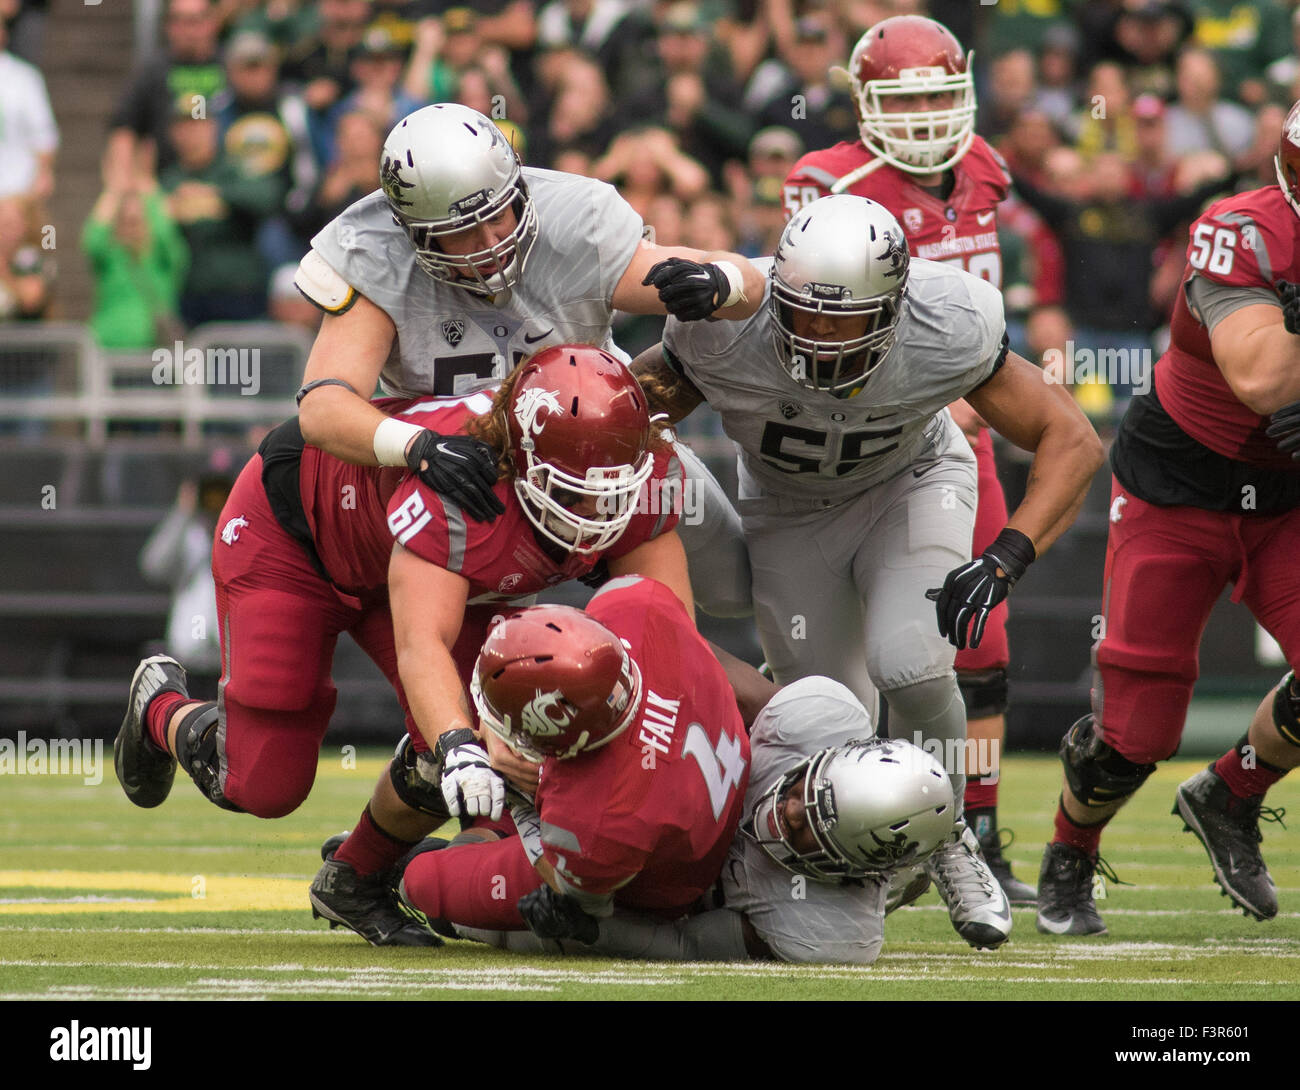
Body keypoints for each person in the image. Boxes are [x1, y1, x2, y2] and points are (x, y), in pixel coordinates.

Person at [632, 193, 1104, 949]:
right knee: (830, 723)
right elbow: (626, 409)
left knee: (910, 663)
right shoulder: (723, 329)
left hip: (912, 485)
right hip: (789, 510)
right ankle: (852, 868)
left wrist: (1007, 555)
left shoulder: (945, 324)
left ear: (893, 305)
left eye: (841, 319)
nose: (818, 336)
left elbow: (1070, 436)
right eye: (804, 313)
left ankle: (954, 836)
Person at [114, 347, 691, 946]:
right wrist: (462, 742)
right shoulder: (469, 484)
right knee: (265, 784)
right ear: (522, 463)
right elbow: (422, 644)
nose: (598, 510)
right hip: (297, 540)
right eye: (572, 492)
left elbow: (670, 646)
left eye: (612, 489)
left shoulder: (639, 478)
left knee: (504, 736)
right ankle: (160, 707)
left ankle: (355, 879)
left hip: (419, 574)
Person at [291, 101, 763, 616]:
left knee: (736, 591)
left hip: (607, 460)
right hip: (480, 481)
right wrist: (420, 446)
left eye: (497, 214)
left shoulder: (574, 220)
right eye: (463, 230)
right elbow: (322, 406)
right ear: (413, 233)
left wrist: (723, 284)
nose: (489, 240)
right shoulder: (374, 251)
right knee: (512, 659)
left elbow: (748, 284)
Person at [779, 13, 1045, 903]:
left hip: (962, 449)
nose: (928, 114)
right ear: (863, 104)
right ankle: (874, 822)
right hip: (868, 444)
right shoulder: (831, 184)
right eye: (909, 98)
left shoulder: (985, 174)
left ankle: (977, 826)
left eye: (939, 93)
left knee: (982, 645)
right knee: (851, 662)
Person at [1034, 102, 1300, 936]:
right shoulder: (1241, 229)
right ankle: (1070, 853)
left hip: (1284, 495)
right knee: (1136, 730)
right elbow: (1262, 378)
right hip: (1178, 485)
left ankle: (1230, 791)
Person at [458, 673, 955, 964]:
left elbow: (677, 941)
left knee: (477, 908)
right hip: (668, 776)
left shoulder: (827, 930)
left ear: (846, 869)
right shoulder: (816, 720)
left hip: (669, 882)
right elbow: (694, 670)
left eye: (808, 831)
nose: (788, 810)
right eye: (806, 787)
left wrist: (588, 924)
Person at [394, 579, 751, 942]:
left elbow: (574, 894)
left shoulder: (602, 819)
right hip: (711, 794)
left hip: (655, 887)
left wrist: (521, 805)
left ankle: (453, 875)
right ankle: (485, 833)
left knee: (422, 881)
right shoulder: (639, 606)